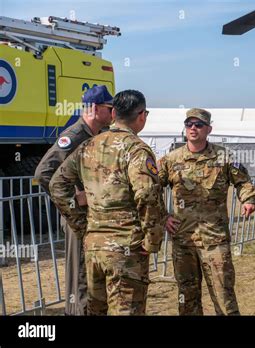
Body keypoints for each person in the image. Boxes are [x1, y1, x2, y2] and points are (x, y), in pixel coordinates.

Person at [49, 90, 166, 315]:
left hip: (94, 248)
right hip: (126, 248)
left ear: (114, 113)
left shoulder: (88, 146)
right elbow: (147, 194)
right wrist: (152, 240)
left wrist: (81, 225)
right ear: (141, 115)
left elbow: (57, 185)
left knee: (96, 310)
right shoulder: (136, 149)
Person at [158, 108, 255, 316]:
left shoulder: (224, 157)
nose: (193, 128)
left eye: (199, 125)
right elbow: (150, 189)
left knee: (223, 296)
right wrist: (162, 216)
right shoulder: (170, 160)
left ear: (208, 129)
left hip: (215, 240)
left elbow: (243, 182)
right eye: (189, 124)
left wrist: (248, 199)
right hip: (183, 240)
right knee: (187, 296)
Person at [34, 85, 114, 315]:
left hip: (89, 217)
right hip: (77, 218)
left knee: (90, 276)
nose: (113, 113)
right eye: (109, 108)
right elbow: (43, 173)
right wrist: (72, 200)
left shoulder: (95, 135)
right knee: (81, 276)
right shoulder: (74, 136)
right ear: (96, 109)